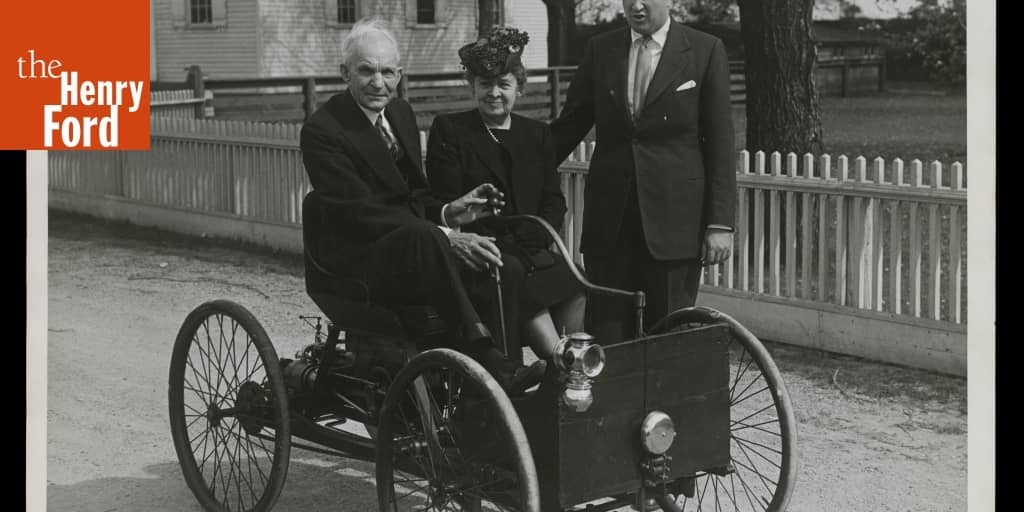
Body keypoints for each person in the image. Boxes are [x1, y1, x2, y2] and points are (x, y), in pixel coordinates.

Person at [299, 18, 545, 394]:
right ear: (344, 73)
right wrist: (445, 236)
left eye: (387, 72)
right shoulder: (324, 130)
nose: (378, 82)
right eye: (366, 71)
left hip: (412, 247)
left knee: (503, 265)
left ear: (399, 75)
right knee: (427, 238)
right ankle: (487, 358)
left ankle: (500, 386)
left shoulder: (400, 113)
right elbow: (360, 212)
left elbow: (412, 196)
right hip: (358, 259)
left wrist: (449, 212)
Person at [550, 0, 736, 340]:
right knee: (607, 333)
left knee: (668, 334)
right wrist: (515, 160)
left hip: (674, 225)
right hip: (611, 223)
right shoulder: (601, 50)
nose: (636, 6)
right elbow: (569, 125)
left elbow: (721, 142)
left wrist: (719, 223)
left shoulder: (705, 50)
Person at [426, 27, 586, 363]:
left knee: (574, 279)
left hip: (530, 247)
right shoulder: (451, 131)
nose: (494, 93)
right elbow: (445, 200)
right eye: (485, 84)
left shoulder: (537, 134)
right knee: (512, 273)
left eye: (504, 84)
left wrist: (539, 235)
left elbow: (553, 199)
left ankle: (571, 360)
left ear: (520, 88)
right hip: (480, 251)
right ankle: (559, 363)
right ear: (473, 87)